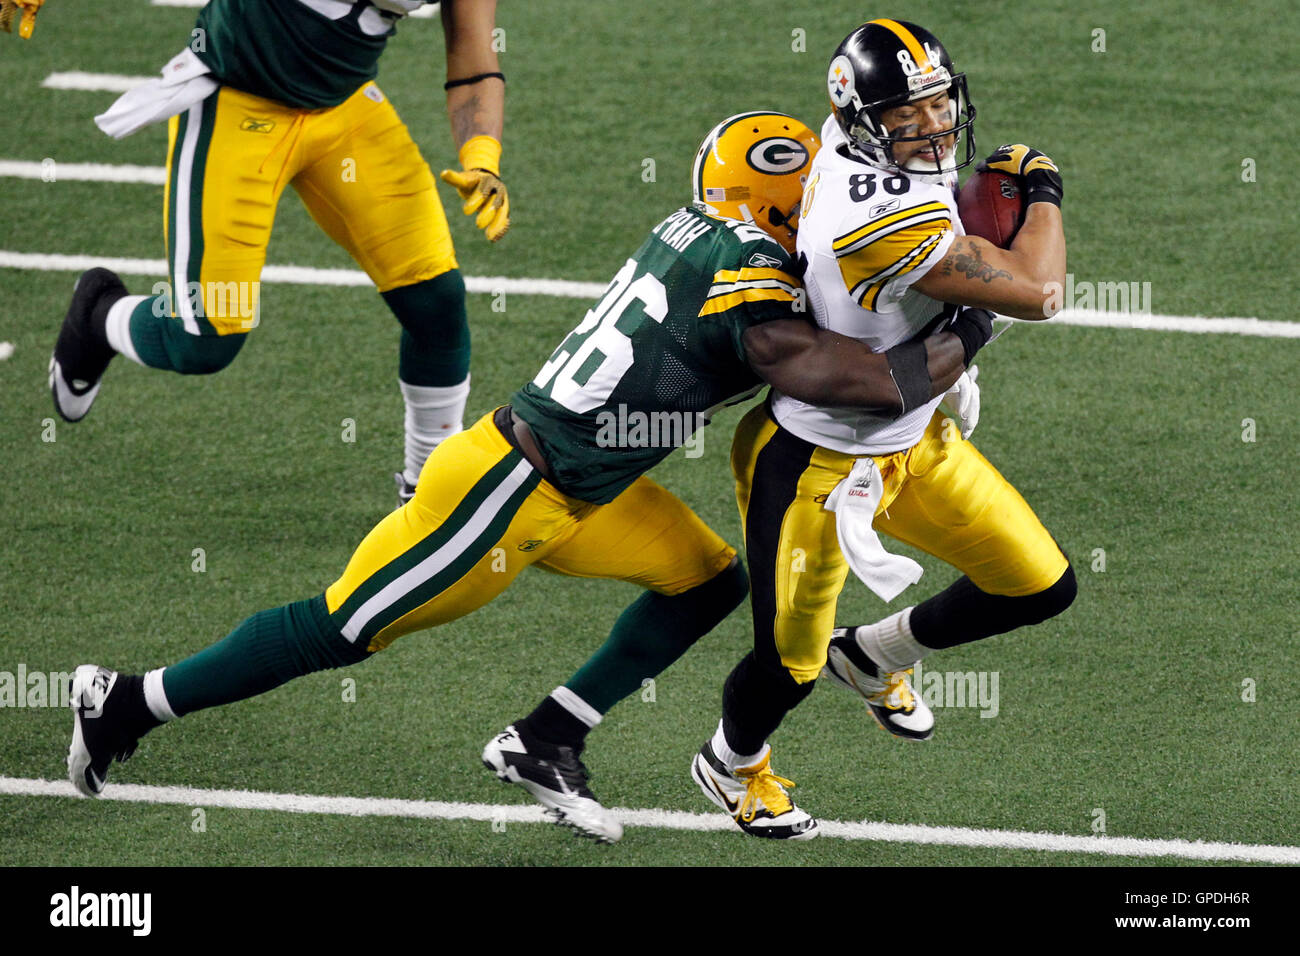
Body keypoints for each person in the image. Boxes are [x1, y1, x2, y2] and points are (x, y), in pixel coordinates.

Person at [66, 110, 989, 845]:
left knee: (705, 582)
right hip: (510, 489)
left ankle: (548, 735)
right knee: (340, 629)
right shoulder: (747, 265)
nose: (830, 213)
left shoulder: (714, 233)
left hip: (588, 484)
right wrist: (970, 327)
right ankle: (129, 701)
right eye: (810, 196)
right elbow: (840, 376)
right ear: (774, 206)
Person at [692, 19, 1076, 840]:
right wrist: (1042, 191)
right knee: (785, 668)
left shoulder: (860, 143)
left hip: (913, 442)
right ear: (868, 122)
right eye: (908, 115)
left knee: (1041, 585)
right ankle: (733, 764)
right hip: (815, 462)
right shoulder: (878, 214)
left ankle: (871, 654)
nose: (934, 126)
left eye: (937, 102)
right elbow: (1041, 291)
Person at [47, 0, 509, 503]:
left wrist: (482, 157)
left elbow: (474, 59)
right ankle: (98, 314)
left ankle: (428, 494)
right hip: (237, 104)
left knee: (436, 300)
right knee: (204, 343)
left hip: (344, 109)